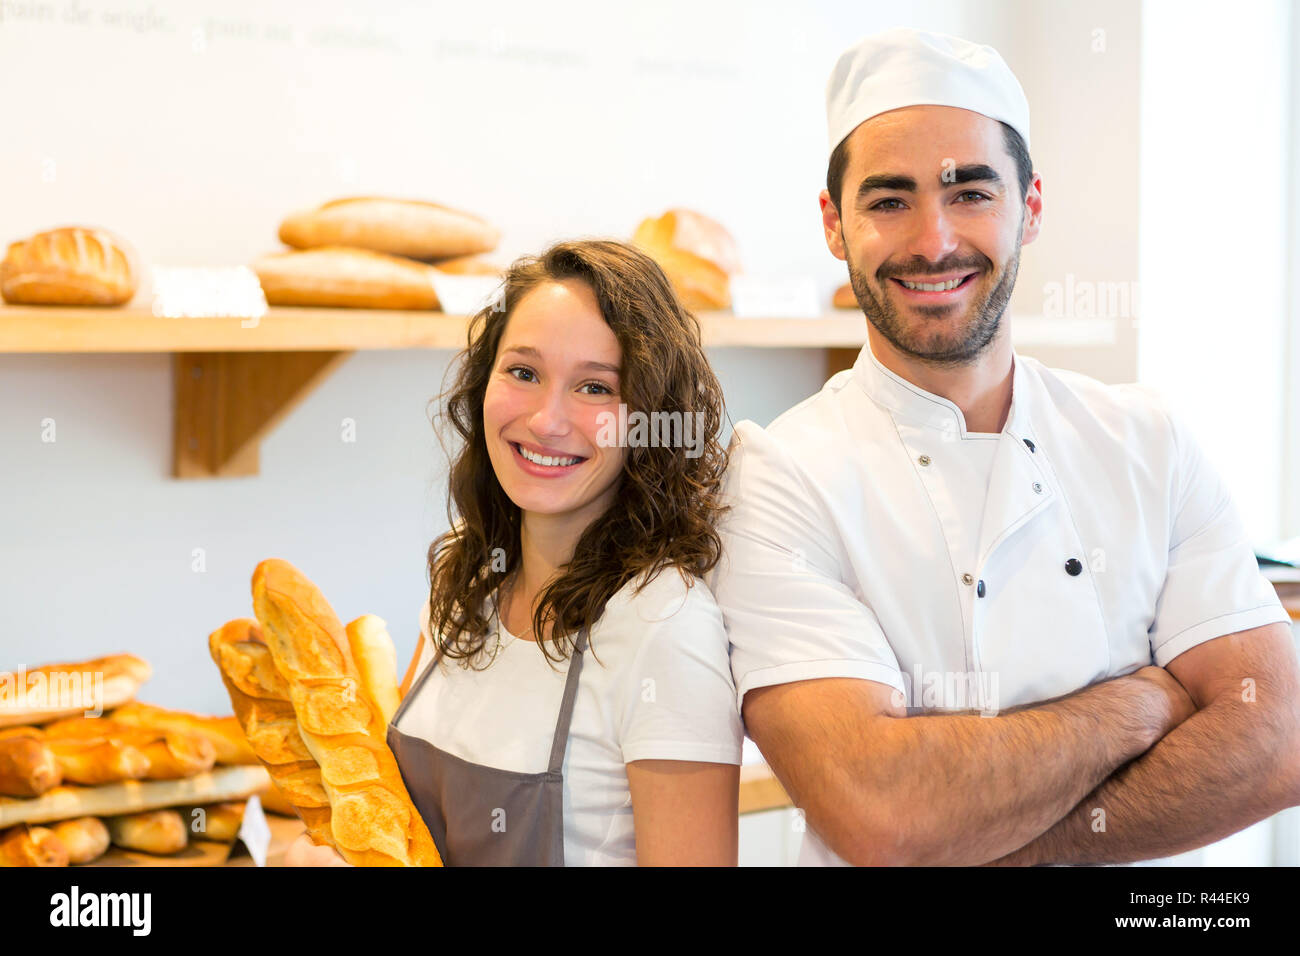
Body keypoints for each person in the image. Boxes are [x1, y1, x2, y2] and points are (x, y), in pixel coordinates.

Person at [708, 27, 1299, 866]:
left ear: (1031, 207)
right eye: (888, 201)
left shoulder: (1148, 441)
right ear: (834, 226)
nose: (934, 240)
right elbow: (877, 812)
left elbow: (1277, 738)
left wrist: (972, 841)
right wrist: (1136, 707)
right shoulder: (778, 475)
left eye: (972, 193)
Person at [287, 239, 743, 866]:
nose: (546, 420)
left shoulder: (663, 625)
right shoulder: (464, 575)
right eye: (523, 372)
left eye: (593, 387)